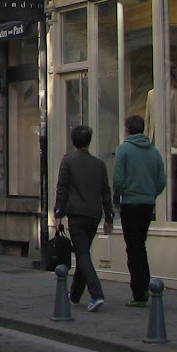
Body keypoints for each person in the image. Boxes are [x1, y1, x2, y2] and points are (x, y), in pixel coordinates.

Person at [52, 124, 115, 311]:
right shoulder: (99, 164)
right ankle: (75, 294)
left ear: (73, 142)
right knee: (83, 252)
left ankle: (96, 294)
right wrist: (109, 217)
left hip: (77, 215)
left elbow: (61, 188)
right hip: (94, 215)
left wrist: (57, 213)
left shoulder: (68, 161)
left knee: (82, 254)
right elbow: (105, 191)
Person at [112, 114, 166, 307]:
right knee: (140, 245)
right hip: (147, 203)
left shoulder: (123, 150)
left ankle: (139, 290)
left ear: (127, 130)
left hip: (130, 203)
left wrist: (117, 198)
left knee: (133, 248)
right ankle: (143, 286)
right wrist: (151, 193)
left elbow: (118, 180)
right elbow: (162, 180)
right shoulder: (154, 152)